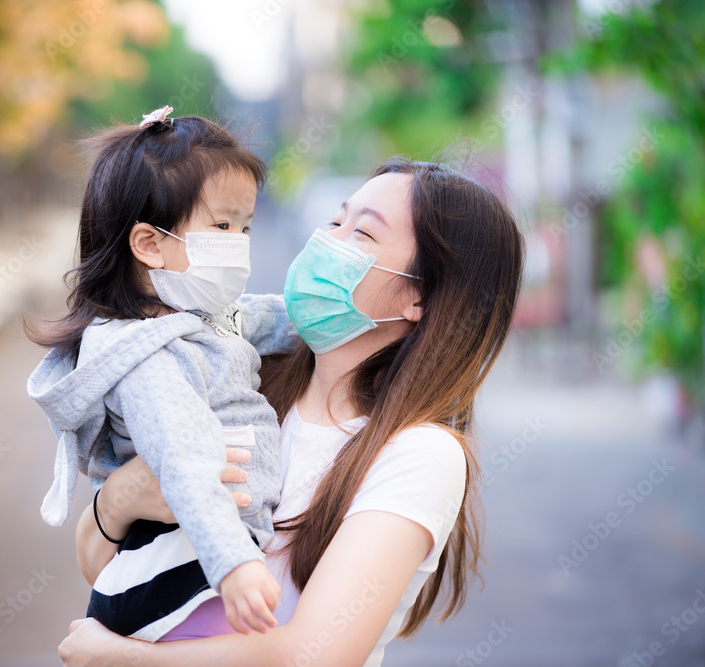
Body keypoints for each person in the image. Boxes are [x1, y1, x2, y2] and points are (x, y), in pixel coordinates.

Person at [60, 156, 525, 666]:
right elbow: (101, 565)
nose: (326, 242)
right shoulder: (240, 374)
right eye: (335, 220)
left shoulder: (419, 453)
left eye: (363, 235)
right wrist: (121, 498)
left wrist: (121, 659)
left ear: (421, 296)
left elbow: (314, 654)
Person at [26, 107, 301, 643]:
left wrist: (346, 310)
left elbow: (276, 319)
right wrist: (233, 565)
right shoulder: (148, 359)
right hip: (185, 575)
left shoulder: (199, 315)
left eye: (245, 226)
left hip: (193, 563)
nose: (238, 241)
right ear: (149, 244)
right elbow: (184, 462)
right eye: (222, 225)